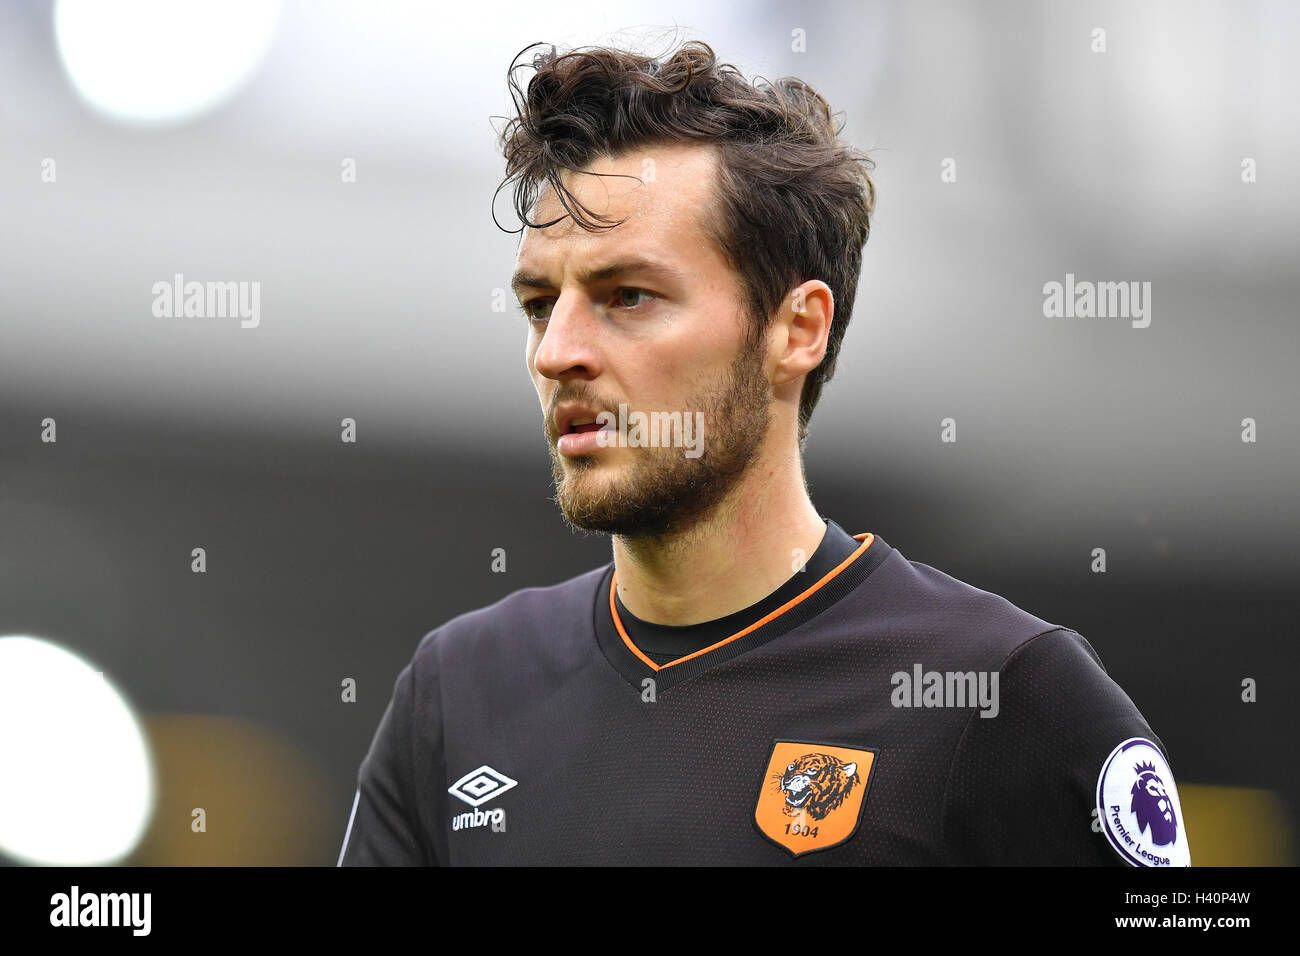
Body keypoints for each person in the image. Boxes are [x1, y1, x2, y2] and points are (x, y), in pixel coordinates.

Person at [338, 39, 1188, 866]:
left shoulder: (1009, 694)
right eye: (538, 304)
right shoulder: (459, 690)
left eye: (627, 295)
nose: (557, 351)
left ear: (796, 329)